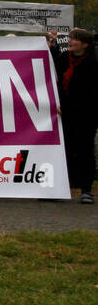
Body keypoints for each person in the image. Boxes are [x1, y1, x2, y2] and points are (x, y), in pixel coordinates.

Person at [51, 28, 96, 203]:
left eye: (75, 39)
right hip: (66, 113)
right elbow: (53, 73)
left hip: (86, 114)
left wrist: (71, 107)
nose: (70, 41)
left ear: (85, 44)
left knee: (85, 150)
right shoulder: (64, 59)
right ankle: (64, 186)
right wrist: (53, 46)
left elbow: (90, 92)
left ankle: (86, 189)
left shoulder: (93, 62)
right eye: (70, 38)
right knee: (66, 149)